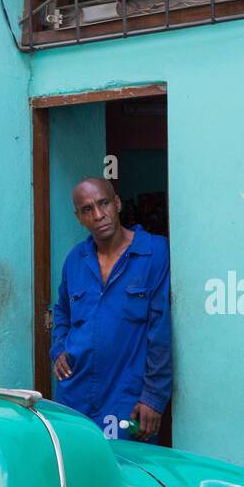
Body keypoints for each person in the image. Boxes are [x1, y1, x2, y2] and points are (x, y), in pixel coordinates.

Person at [50, 177, 171, 440]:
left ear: (117, 203)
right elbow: (62, 312)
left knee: (134, 469)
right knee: (78, 467)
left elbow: (160, 329)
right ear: (78, 217)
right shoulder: (75, 260)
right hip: (76, 396)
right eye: (87, 210)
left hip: (129, 400)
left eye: (103, 203)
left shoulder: (154, 252)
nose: (98, 215)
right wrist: (58, 347)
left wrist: (153, 396)